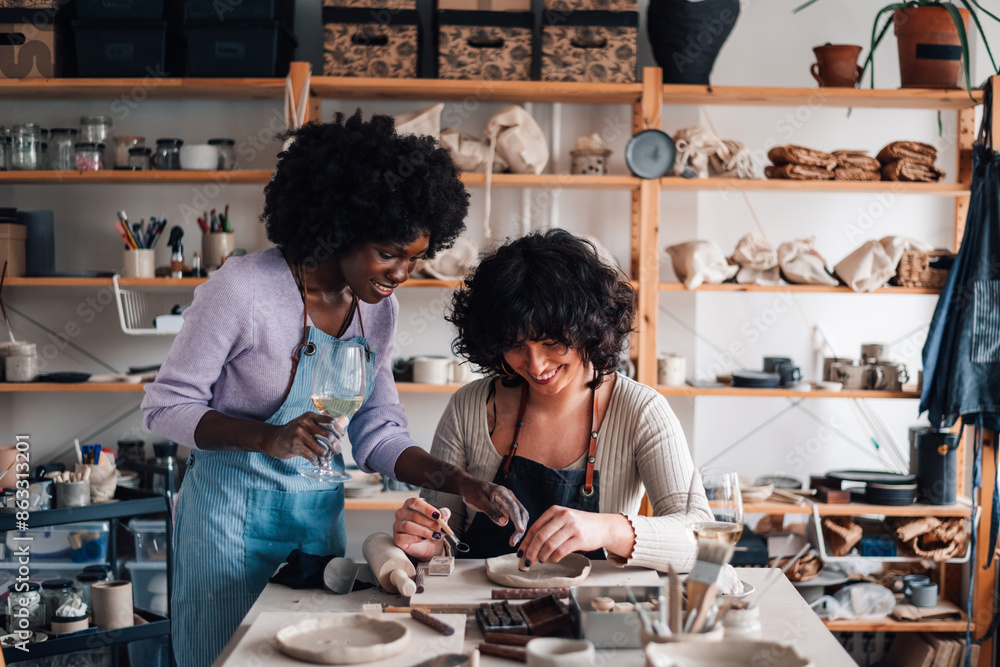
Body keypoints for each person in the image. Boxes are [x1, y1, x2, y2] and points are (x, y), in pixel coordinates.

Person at [142, 111, 527, 667]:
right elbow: (164, 407)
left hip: (315, 525)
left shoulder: (378, 310)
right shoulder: (243, 290)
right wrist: (270, 438)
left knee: (314, 656)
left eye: (414, 258)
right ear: (340, 228)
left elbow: (379, 435)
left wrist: (464, 484)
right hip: (227, 528)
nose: (400, 274)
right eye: (388, 253)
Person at [392, 229, 735, 582]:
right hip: (481, 604)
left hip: (591, 610)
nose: (536, 365)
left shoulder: (642, 411)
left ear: (588, 327)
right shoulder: (469, 407)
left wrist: (607, 529)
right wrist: (428, 544)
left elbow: (703, 541)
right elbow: (442, 540)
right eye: (515, 345)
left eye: (551, 342)